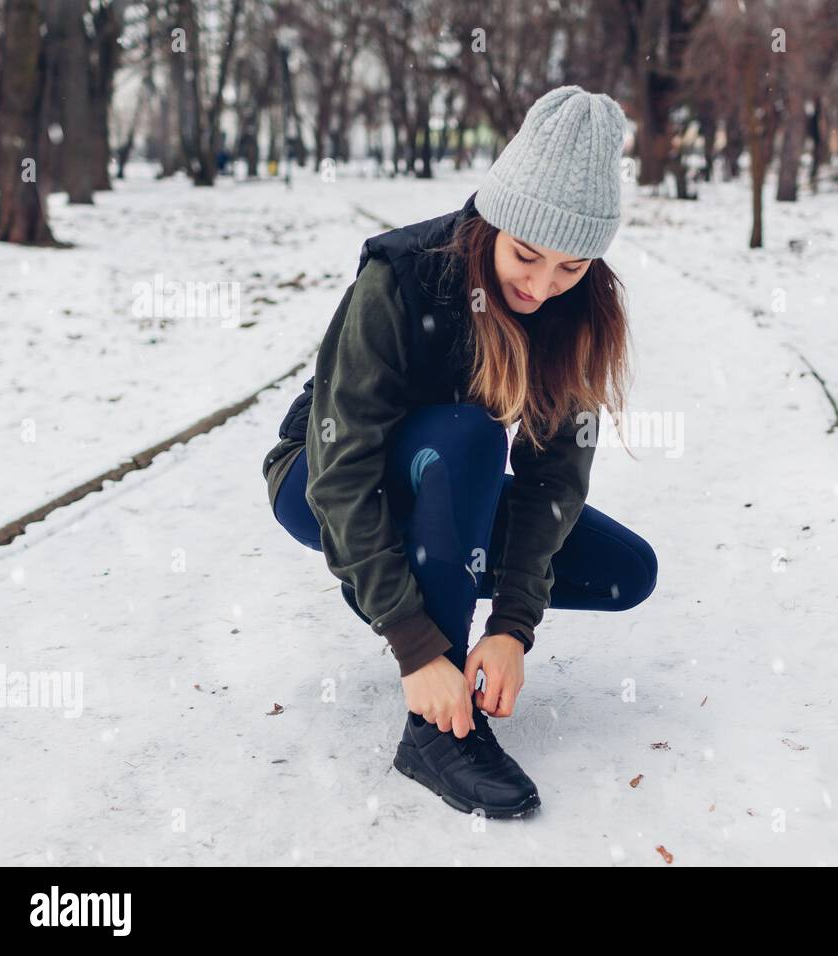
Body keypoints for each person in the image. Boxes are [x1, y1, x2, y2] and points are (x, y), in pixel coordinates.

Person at [260, 86, 657, 819]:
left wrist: (512, 628)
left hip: (441, 484)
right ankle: (434, 732)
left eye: (571, 268)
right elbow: (341, 466)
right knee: (469, 434)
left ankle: (418, 576)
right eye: (528, 256)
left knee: (624, 573)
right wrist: (416, 645)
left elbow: (554, 483)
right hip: (320, 476)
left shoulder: (580, 314)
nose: (542, 287)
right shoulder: (406, 275)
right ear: (496, 221)